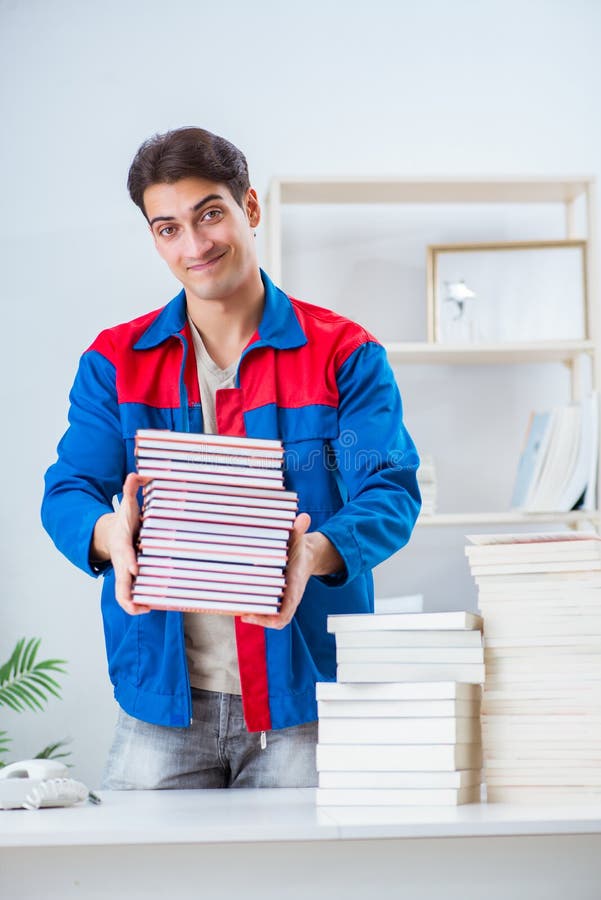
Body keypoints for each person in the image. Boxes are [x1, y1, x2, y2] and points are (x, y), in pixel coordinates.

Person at [41, 127, 421, 790]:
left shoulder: (343, 355)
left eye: (209, 214)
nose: (194, 246)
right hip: (162, 703)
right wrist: (110, 535)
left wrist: (311, 552)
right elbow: (69, 489)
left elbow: (388, 491)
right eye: (168, 228)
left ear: (249, 207)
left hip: (303, 701)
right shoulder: (115, 363)